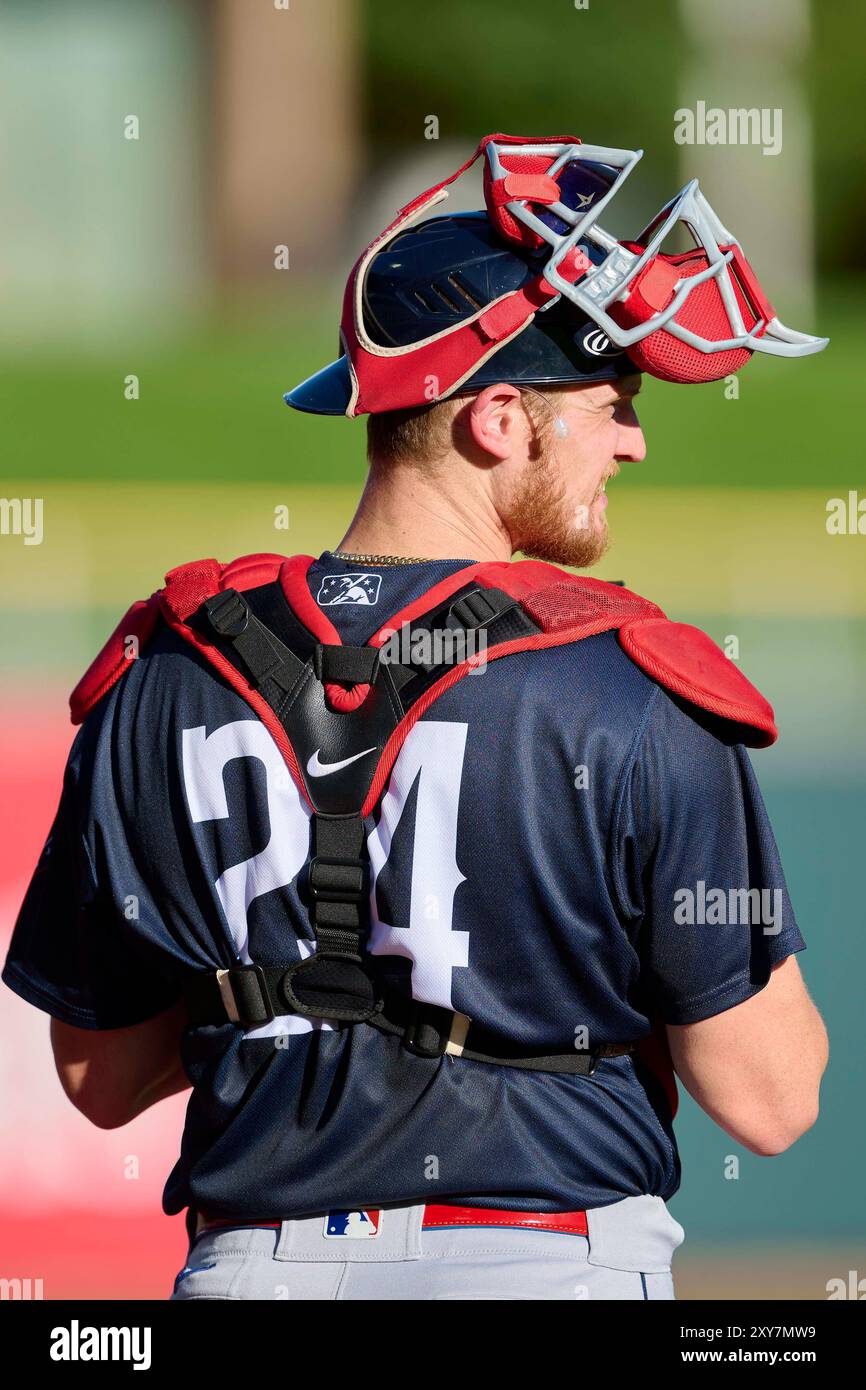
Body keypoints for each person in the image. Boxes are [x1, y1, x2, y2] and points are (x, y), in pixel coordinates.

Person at [3, 134, 829, 1301]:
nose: (631, 441)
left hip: (253, 1269)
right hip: (543, 1267)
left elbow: (100, 1078)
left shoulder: (162, 673)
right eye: (611, 403)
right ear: (498, 418)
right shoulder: (628, 682)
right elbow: (769, 1098)